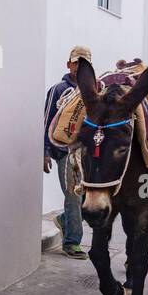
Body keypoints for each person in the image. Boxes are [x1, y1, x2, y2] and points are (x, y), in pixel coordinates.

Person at [43, 46, 90, 259]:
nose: (79, 67)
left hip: (87, 154)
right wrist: (44, 152)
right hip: (65, 153)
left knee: (89, 200)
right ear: (68, 64)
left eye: (84, 63)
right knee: (74, 195)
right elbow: (46, 122)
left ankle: (64, 220)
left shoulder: (93, 91)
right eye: (76, 62)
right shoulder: (58, 89)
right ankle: (72, 243)